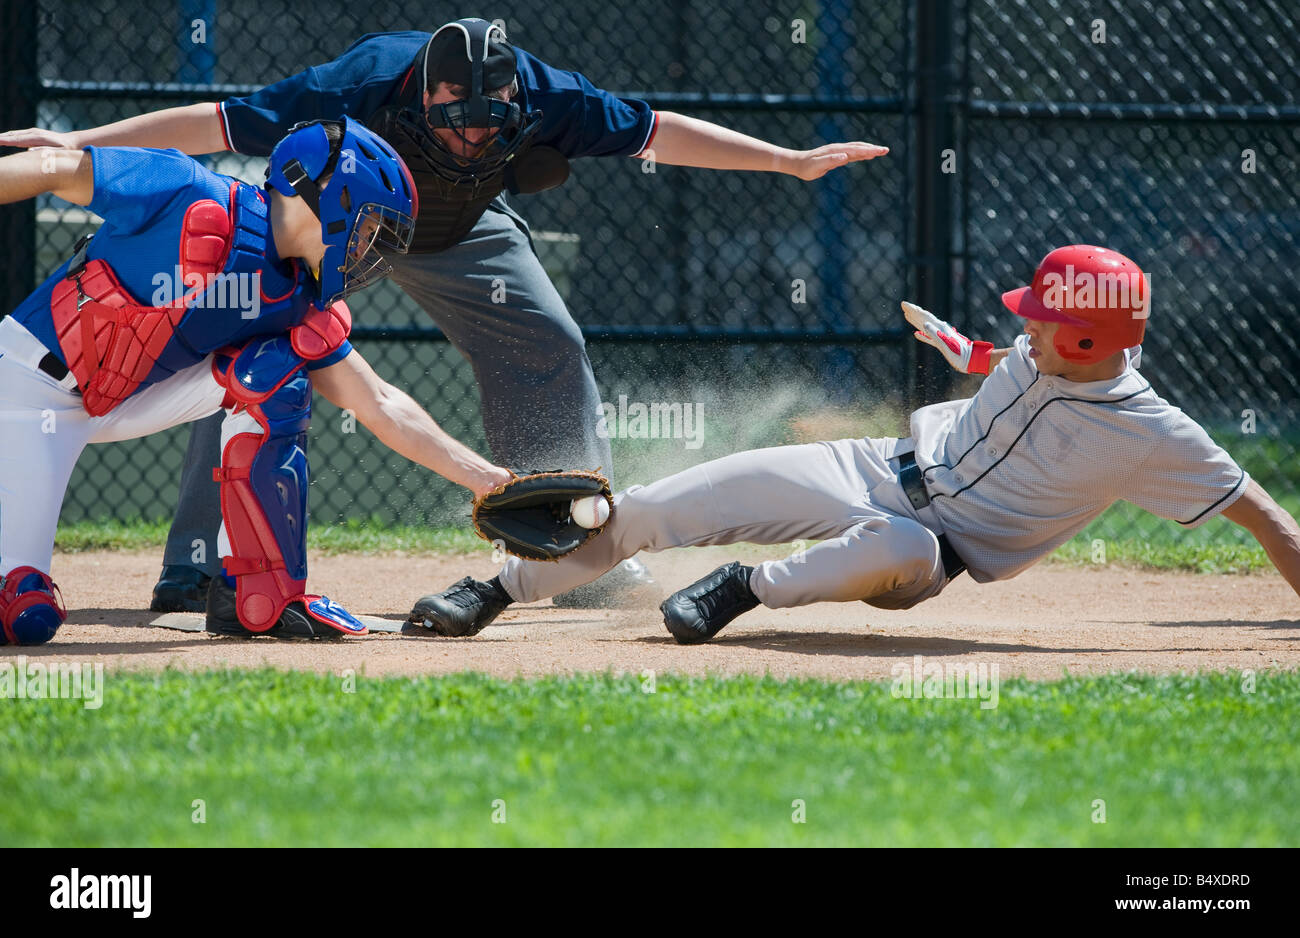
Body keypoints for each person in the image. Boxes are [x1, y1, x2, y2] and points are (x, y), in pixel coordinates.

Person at [0, 17, 890, 612]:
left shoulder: (549, 95)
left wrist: (788, 161)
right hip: (346, 230)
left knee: (551, 341)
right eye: (451, 118)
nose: (470, 133)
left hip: (466, 235)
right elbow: (220, 123)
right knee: (252, 344)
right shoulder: (364, 81)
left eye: (486, 123)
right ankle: (196, 568)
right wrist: (75, 145)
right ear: (420, 93)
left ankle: (575, 553)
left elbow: (662, 132)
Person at [403, 245, 1300, 642]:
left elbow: (1261, 515)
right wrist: (964, 352)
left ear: (1095, 345)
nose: (1028, 328)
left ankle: (738, 593)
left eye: (1045, 319)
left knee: (902, 540)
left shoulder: (1149, 433)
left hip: (929, 549)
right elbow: (1009, 356)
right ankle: (493, 591)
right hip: (869, 462)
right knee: (655, 506)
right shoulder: (1050, 347)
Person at [0, 118, 512, 644]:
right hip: (25, 390)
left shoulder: (297, 297)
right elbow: (54, 167)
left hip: (125, 397)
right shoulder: (187, 191)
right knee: (24, 615)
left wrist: (491, 481)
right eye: (367, 227)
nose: (368, 249)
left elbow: (379, 402)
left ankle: (257, 598)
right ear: (332, 200)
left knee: (277, 370)